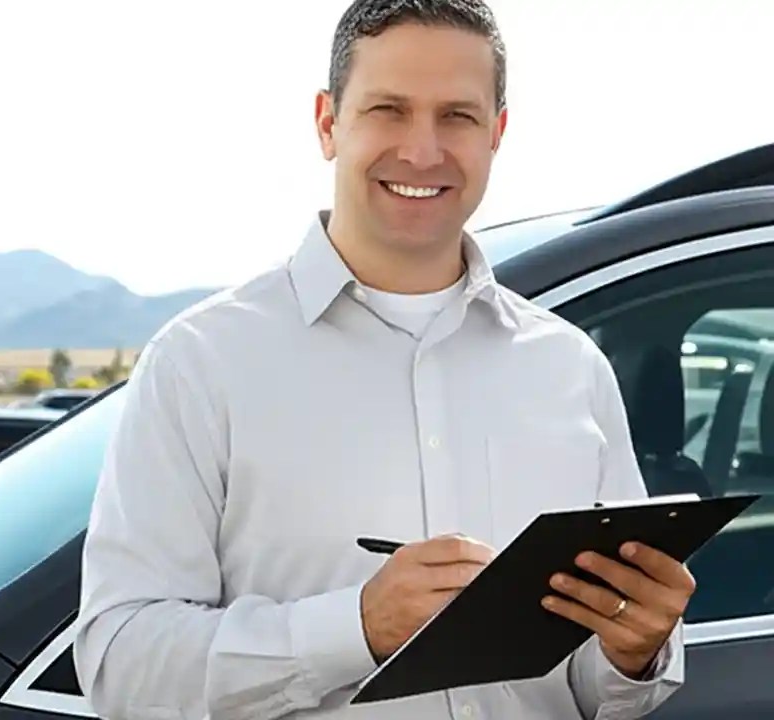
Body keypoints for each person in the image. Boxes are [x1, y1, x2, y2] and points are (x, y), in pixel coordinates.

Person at [72, 0, 693, 718]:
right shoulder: (202, 362)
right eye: (389, 110)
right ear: (328, 122)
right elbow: (120, 667)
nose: (423, 151)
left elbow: (596, 690)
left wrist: (635, 651)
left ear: (497, 133)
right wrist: (355, 627)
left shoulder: (570, 369)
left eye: (456, 116)